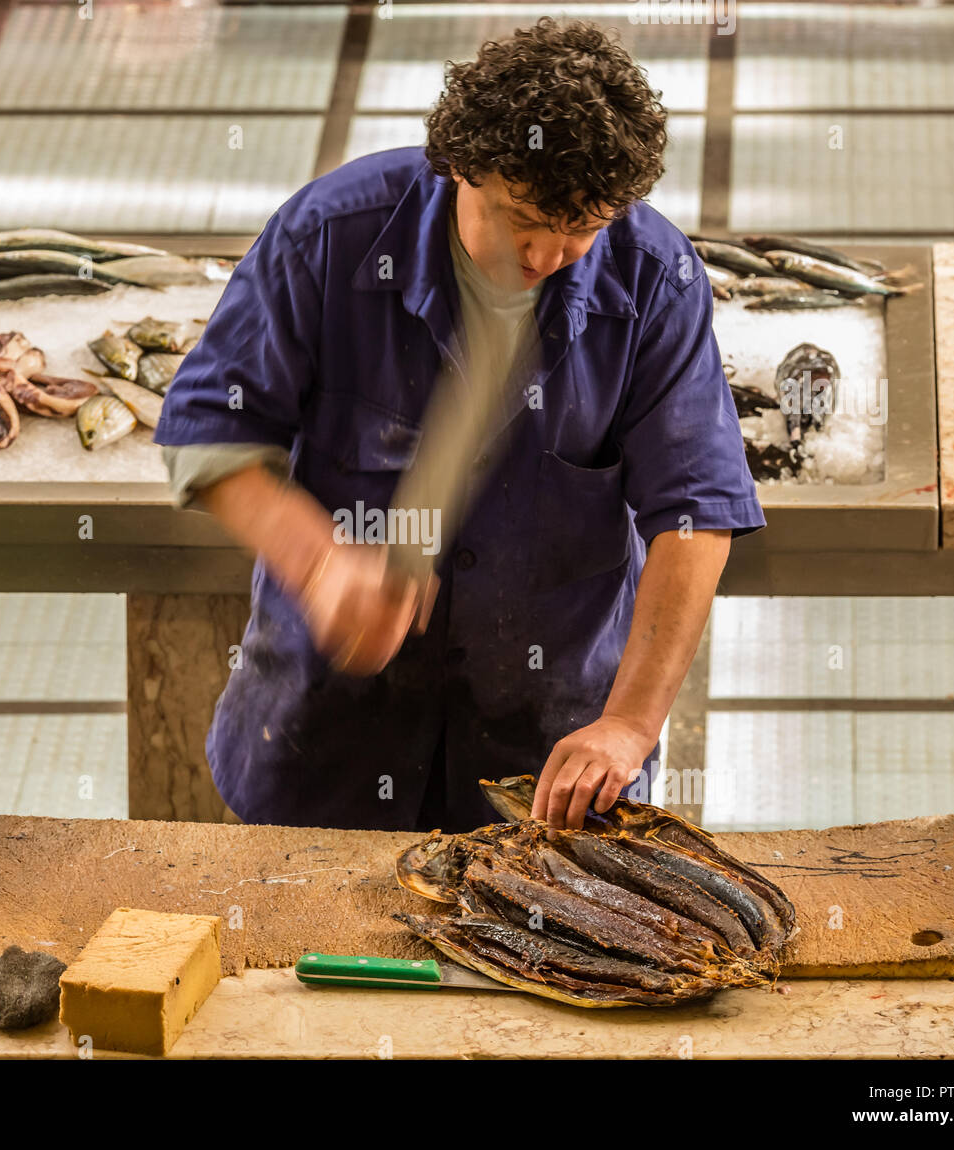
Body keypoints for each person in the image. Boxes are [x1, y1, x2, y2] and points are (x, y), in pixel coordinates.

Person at [154, 18, 763, 833]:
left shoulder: (657, 281)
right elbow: (204, 428)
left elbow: (694, 514)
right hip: (319, 740)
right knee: (294, 960)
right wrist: (321, 566)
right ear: (460, 165)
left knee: (526, 961)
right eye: (520, 219)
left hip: (541, 760)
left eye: (582, 228)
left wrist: (630, 723)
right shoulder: (328, 237)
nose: (547, 254)